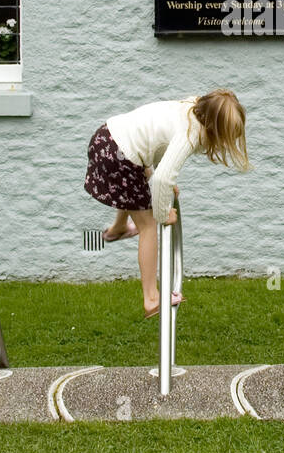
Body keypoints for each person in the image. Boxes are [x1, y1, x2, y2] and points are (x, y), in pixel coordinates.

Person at [85, 90, 250, 318]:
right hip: (120, 155)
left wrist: (160, 179)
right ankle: (152, 299)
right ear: (213, 129)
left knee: (134, 189)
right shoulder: (190, 135)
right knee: (149, 225)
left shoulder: (191, 106)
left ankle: (118, 228)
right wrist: (163, 213)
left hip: (108, 136)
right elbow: (162, 179)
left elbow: (162, 141)